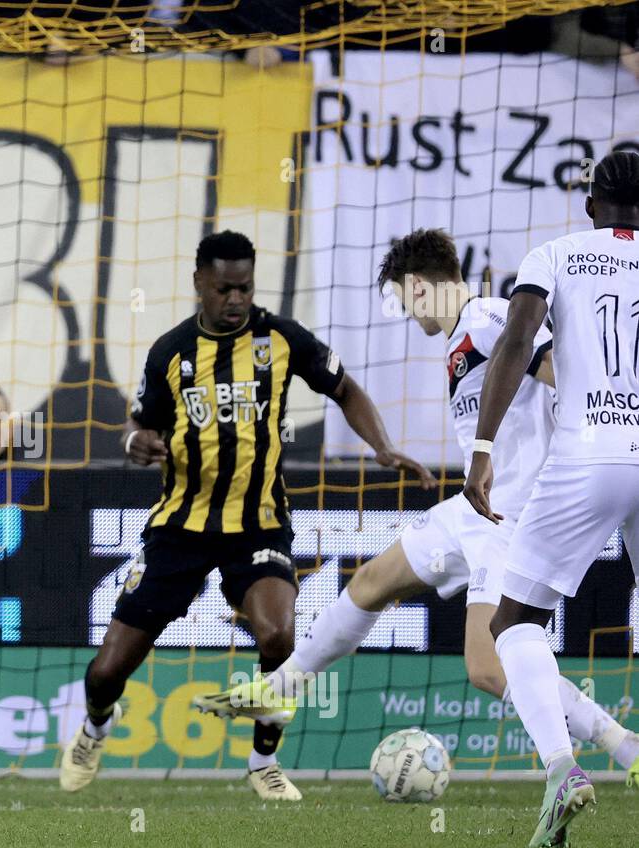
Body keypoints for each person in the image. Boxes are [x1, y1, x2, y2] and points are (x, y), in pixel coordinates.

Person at [197, 228, 639, 785]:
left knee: (488, 668)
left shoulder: (488, 317)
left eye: (406, 303)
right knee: (371, 583)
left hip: (513, 520)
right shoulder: (466, 333)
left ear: (420, 288)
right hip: (472, 512)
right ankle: (280, 692)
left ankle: (624, 747)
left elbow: (558, 371)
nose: (409, 316)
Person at [59, 230, 435, 800]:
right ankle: (94, 727)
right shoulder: (170, 352)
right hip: (180, 528)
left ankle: (264, 760)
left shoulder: (281, 338)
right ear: (198, 285)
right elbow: (140, 425)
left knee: (280, 635)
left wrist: (381, 448)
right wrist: (136, 442)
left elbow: (347, 389)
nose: (235, 300)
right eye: (223, 289)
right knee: (108, 670)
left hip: (259, 524)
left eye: (244, 288)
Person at [464, 149, 639, 848]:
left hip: (588, 455)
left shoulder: (557, 253)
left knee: (514, 623)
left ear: (591, 204)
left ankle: (563, 767)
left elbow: (514, 343)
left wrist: (482, 452)